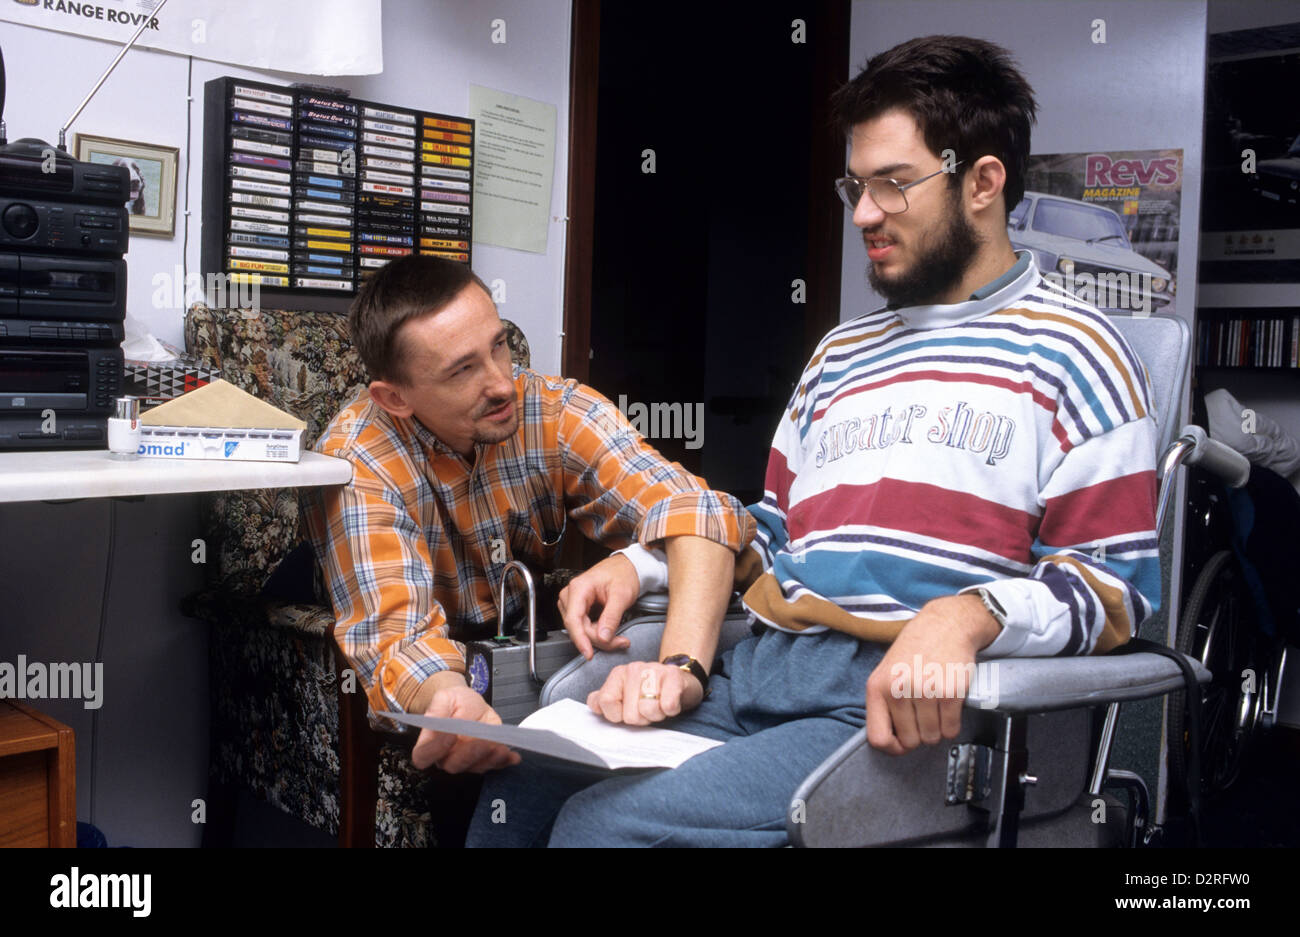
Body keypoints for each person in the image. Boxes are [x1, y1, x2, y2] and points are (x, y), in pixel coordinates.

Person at [465, 34, 1161, 847]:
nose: (863, 213)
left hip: (909, 713)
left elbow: (1111, 586)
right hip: (762, 672)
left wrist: (966, 616)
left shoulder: (1078, 351)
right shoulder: (840, 354)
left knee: (606, 830)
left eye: (894, 185)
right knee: (524, 780)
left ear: (982, 181)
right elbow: (771, 534)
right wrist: (643, 561)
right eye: (856, 185)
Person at [303, 256, 754, 784]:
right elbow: (397, 640)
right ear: (394, 398)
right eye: (463, 369)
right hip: (397, 650)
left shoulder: (554, 411)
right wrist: (450, 698)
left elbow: (698, 510)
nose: (501, 383)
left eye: (498, 346)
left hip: (516, 648)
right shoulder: (356, 461)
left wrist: (679, 664)